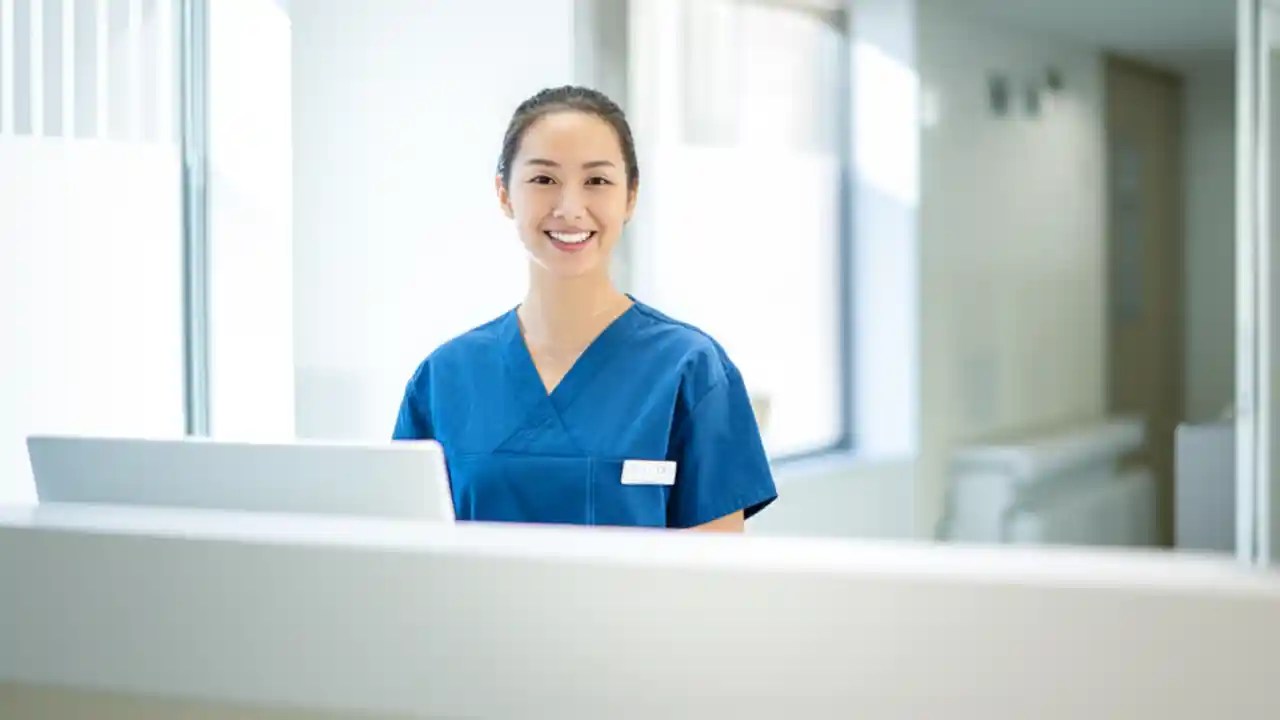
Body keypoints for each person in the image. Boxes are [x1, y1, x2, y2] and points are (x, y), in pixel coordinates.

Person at [393, 86, 776, 532]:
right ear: (504, 194)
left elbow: (714, 581)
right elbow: (409, 563)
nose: (570, 208)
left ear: (630, 195)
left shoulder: (692, 371)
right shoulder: (445, 378)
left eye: (597, 181)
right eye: (543, 180)